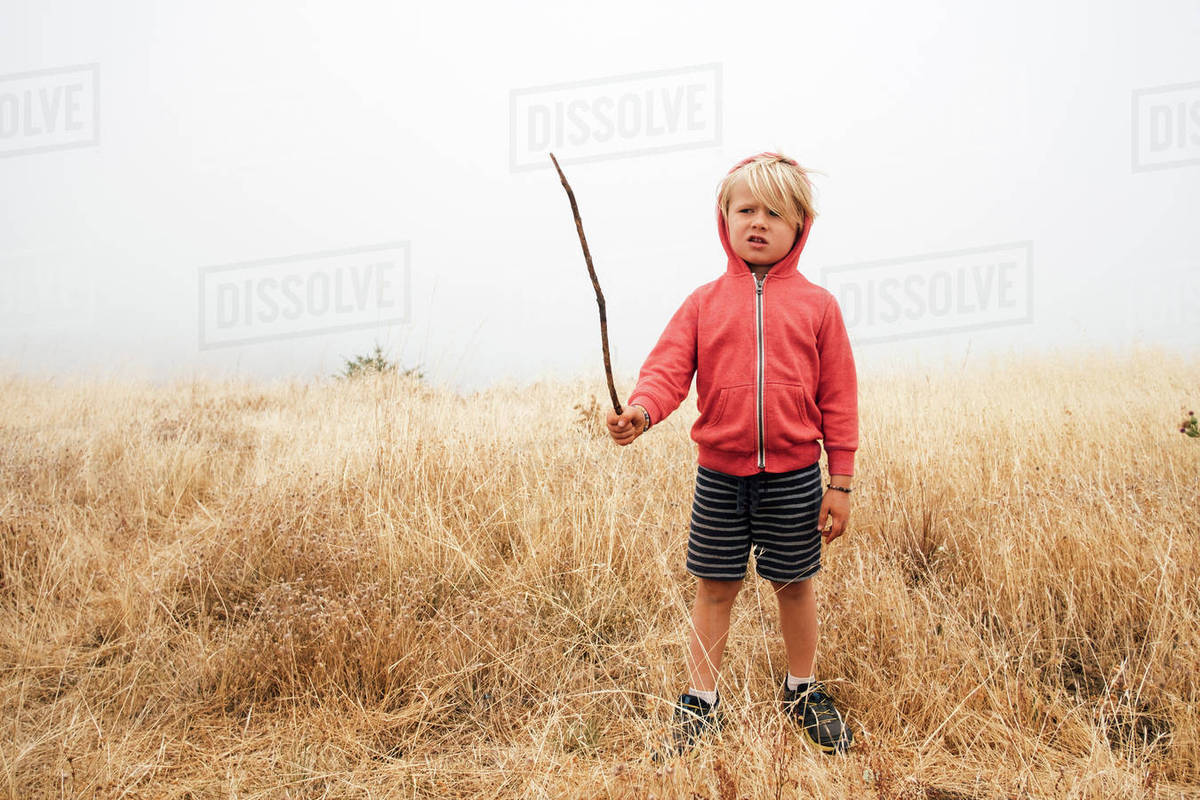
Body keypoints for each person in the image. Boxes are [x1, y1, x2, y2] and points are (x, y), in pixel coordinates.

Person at [606, 151, 858, 756]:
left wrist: (841, 481)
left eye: (776, 212)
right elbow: (668, 370)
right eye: (746, 209)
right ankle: (702, 701)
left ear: (801, 225)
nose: (759, 222)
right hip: (720, 477)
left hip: (797, 477)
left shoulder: (819, 306)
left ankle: (802, 689)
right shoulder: (703, 302)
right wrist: (641, 411)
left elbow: (840, 397)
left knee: (795, 585)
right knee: (714, 589)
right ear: (725, 219)